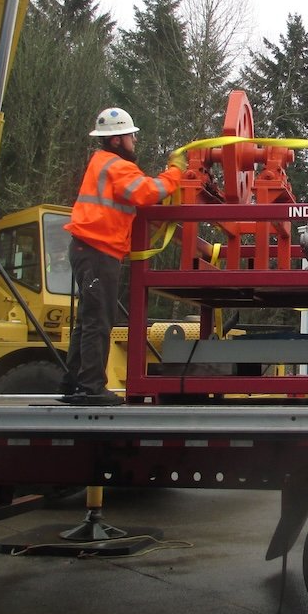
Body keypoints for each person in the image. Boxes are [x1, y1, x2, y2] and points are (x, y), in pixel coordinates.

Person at [61, 107, 184, 405]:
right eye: (130, 135)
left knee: (89, 319)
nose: (134, 141)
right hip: (97, 251)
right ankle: (90, 387)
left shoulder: (103, 162)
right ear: (116, 140)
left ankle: (75, 383)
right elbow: (145, 192)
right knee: (98, 321)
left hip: (91, 250)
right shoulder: (116, 166)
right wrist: (176, 173)